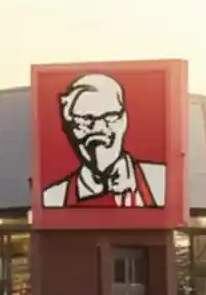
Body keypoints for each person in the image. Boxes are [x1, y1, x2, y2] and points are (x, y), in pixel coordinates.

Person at [41, 72, 167, 208]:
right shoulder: (53, 199)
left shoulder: (162, 181)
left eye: (109, 116)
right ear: (69, 127)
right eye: (85, 119)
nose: (99, 128)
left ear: (124, 121)